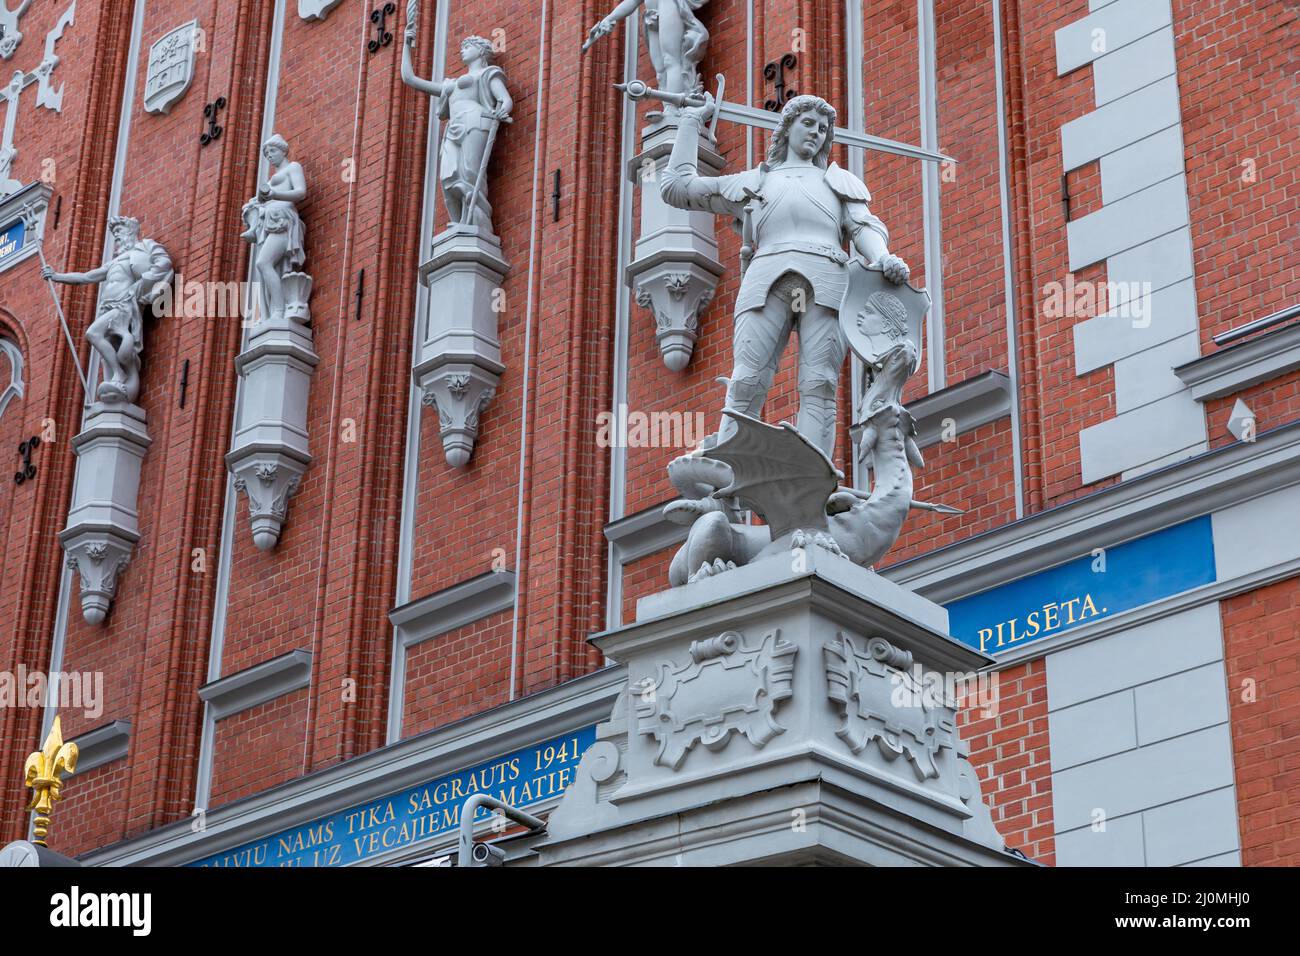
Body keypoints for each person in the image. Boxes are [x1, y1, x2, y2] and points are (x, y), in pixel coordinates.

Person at [659, 92, 911, 457]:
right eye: (807, 123)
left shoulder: (838, 182)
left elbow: (862, 226)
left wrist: (883, 256)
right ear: (787, 127)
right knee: (748, 377)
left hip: (826, 276)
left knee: (820, 381)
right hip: (767, 274)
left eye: (823, 129)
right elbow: (676, 187)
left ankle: (813, 469)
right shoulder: (755, 181)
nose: (816, 133)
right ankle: (728, 462)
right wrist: (690, 121)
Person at [42, 216, 173, 404]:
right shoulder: (113, 262)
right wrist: (56, 276)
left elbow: (163, 263)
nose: (117, 239)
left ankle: (119, 375)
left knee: (93, 333)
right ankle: (116, 375)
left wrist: (142, 286)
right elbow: (86, 277)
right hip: (107, 307)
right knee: (109, 343)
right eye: (116, 236)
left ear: (131, 233)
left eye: (120, 234)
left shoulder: (143, 248)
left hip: (124, 304)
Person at [402, 12, 512, 232]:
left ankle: (478, 226)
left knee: (471, 175)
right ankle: (461, 223)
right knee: (449, 178)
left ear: (480, 50)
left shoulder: (488, 74)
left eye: (467, 46)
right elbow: (410, 79)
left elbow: (505, 100)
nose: (462, 49)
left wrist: (502, 112)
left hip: (476, 122)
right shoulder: (450, 84)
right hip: (453, 129)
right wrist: (406, 43)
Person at [240, 134, 308, 325]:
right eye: (266, 153)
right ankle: (272, 312)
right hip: (268, 224)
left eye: (272, 151)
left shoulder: (293, 168)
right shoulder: (271, 179)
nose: (269, 156)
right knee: (267, 267)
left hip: (283, 221)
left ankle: (279, 309)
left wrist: (274, 194)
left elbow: (300, 192)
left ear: (283, 150)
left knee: (263, 263)